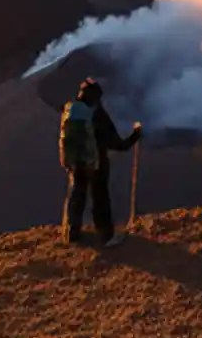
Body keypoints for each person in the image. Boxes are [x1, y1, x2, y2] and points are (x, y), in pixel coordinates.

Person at [60, 78, 142, 247]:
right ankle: (106, 236)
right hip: (97, 164)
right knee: (100, 199)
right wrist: (136, 135)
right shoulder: (97, 115)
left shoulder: (71, 111)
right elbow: (118, 144)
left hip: (76, 163)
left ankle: (72, 234)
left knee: (77, 196)